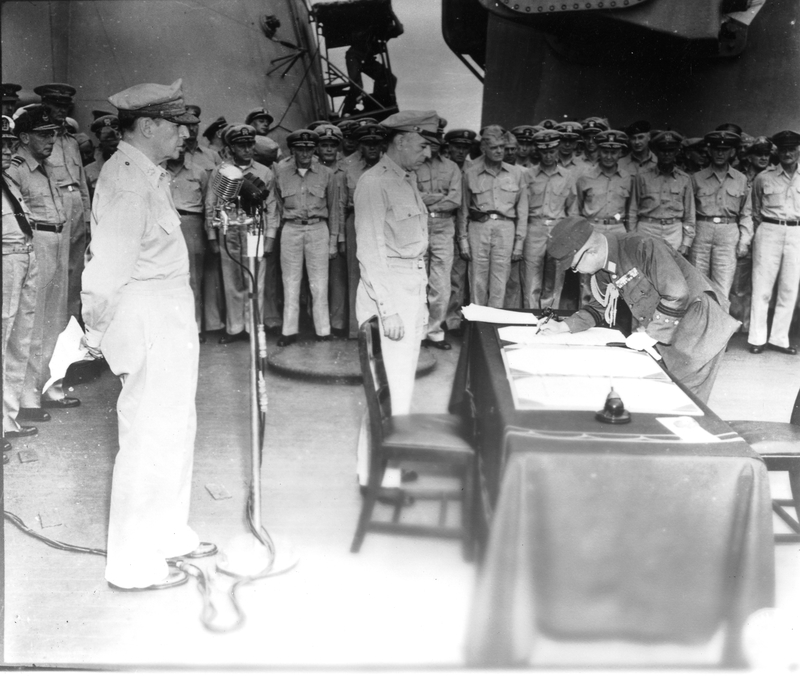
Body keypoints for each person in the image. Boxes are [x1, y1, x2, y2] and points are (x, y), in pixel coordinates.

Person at [82, 79, 215, 590]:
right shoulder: (128, 182)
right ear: (149, 125)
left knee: (176, 425)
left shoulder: (148, 175)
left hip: (169, 311)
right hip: (146, 314)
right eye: (177, 126)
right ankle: (132, 562)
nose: (185, 134)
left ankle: (167, 533)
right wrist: (95, 329)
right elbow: (106, 269)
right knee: (148, 435)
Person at [540, 216, 740, 403]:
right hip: (669, 330)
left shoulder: (642, 246)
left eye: (575, 267)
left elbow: (676, 293)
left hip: (699, 329)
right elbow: (600, 305)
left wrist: (652, 335)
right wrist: (563, 326)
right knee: (663, 395)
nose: (577, 272)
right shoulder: (603, 267)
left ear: (591, 252)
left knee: (685, 403)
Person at [354, 110, 435, 415]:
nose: (428, 154)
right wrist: (388, 310)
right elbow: (370, 251)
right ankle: (382, 446)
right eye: (422, 146)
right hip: (389, 290)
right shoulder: (374, 183)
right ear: (400, 142)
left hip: (411, 286)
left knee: (403, 380)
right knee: (387, 385)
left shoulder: (405, 180)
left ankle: (398, 441)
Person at [7, 104, 79, 421]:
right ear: (24, 137)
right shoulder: (18, 169)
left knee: (54, 320)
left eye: (53, 134)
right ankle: (26, 398)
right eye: (43, 135)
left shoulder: (47, 166)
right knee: (32, 323)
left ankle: (46, 386)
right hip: (36, 242)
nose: (51, 140)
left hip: (58, 239)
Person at [266, 129, 337, 346]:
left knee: (319, 282)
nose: (305, 153)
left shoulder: (327, 173)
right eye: (300, 149)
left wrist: (333, 241)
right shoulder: (281, 172)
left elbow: (334, 208)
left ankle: (323, 330)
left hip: (318, 228)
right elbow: (277, 203)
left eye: (309, 149)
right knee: (290, 281)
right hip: (291, 228)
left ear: (314, 149)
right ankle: (289, 331)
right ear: (292, 150)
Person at [205, 124, 274, 342]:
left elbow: (272, 208)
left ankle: (253, 328)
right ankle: (235, 328)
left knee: (254, 280)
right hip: (230, 230)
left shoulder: (264, 172)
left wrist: (270, 238)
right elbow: (211, 205)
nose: (246, 149)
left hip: (254, 230)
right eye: (241, 145)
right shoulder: (221, 171)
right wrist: (212, 236)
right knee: (232, 280)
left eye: (250, 144)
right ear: (231, 148)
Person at [34, 83, 92, 321]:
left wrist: (87, 216)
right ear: (45, 105)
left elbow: (81, 182)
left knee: (75, 269)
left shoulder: (71, 142)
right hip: (55, 204)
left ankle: (71, 325)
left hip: (76, 204)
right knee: (55, 270)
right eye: (56, 105)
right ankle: (52, 324)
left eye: (65, 106)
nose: (61, 110)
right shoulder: (40, 139)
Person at [459, 125, 528, 308]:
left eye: (502, 147)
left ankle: (492, 322)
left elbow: (522, 211)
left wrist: (519, 243)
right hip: (479, 227)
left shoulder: (516, 174)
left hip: (506, 228)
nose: (499, 151)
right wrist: (463, 240)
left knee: (500, 280)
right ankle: (477, 322)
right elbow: (463, 209)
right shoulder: (471, 173)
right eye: (494, 147)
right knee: (477, 278)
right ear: (484, 148)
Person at [2, 114, 39, 451]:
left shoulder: (8, 181)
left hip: (24, 258)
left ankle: (7, 419)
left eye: (8, 145)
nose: (6, 151)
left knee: (19, 340)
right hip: (5, 262)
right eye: (0, 145)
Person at [747, 129, 800, 355]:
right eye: (783, 150)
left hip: (796, 232)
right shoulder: (764, 177)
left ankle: (779, 339)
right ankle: (757, 338)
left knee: (789, 288)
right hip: (769, 230)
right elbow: (755, 209)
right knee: (762, 287)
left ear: (799, 150)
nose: (788, 154)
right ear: (777, 152)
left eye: (792, 149)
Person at [690, 130, 752, 300]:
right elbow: (689, 211)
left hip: (728, 232)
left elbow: (746, 212)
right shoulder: (696, 178)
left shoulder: (741, 179)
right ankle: (700, 317)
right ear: (709, 151)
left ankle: (720, 317)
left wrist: (744, 240)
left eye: (724, 150)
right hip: (701, 231)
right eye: (716, 149)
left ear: (732, 152)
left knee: (723, 284)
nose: (720, 153)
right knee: (698, 282)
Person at [573, 129, 633, 304]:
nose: (609, 156)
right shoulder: (585, 178)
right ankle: (586, 312)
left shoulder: (628, 178)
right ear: (598, 151)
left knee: (619, 275)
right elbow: (577, 209)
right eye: (605, 151)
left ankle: (614, 315)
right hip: (592, 229)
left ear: (620, 153)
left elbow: (631, 210)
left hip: (617, 230)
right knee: (587, 276)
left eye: (613, 152)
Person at [522, 129, 576, 309]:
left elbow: (572, 209)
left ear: (557, 150)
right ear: (538, 152)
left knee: (554, 279)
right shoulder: (528, 175)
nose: (548, 156)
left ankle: (550, 316)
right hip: (534, 228)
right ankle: (530, 317)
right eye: (544, 152)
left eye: (551, 151)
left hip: (557, 229)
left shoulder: (567, 176)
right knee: (531, 278)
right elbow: (522, 206)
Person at [416, 134, 461, 349]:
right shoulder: (414, 165)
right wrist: (437, 198)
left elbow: (455, 200)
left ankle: (434, 332)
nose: (431, 146)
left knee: (441, 283)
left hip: (444, 226)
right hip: (419, 224)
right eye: (427, 141)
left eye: (435, 141)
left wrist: (428, 200)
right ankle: (418, 332)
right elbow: (412, 196)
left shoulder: (452, 167)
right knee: (418, 280)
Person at [342, 122, 386, 337]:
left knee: (383, 274)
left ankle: (384, 326)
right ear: (360, 145)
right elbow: (342, 203)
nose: (372, 148)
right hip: (357, 223)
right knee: (356, 274)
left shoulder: (389, 169)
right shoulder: (348, 169)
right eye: (368, 144)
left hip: (385, 225)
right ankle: (356, 328)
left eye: (376, 143)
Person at [166, 143, 210, 341]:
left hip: (192, 223)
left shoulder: (199, 172)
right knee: (167, 278)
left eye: (184, 147)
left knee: (193, 278)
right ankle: (170, 329)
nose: (180, 150)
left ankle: (196, 327)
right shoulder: (157, 171)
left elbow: (208, 204)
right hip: (166, 225)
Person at [630, 130, 695, 254]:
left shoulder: (684, 179)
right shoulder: (642, 177)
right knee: (645, 263)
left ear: (676, 152)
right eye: (663, 150)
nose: (667, 154)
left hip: (673, 231)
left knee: (671, 265)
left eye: (671, 150)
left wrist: (686, 242)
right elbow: (632, 211)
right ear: (656, 152)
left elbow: (689, 214)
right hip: (647, 228)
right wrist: (632, 237)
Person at [315, 124, 349, 336]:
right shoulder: (313, 169)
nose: (328, 149)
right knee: (315, 279)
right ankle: (315, 322)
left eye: (332, 145)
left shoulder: (345, 170)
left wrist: (340, 238)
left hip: (338, 228)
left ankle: (337, 322)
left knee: (337, 278)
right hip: (316, 227)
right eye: (324, 145)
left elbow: (342, 207)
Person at [443, 129, 476, 335]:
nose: (461, 151)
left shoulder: (474, 169)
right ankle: (441, 320)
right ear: (449, 147)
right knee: (441, 276)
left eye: (465, 147)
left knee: (461, 277)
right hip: (446, 224)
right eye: (457, 147)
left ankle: (456, 321)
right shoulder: (444, 168)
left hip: (469, 228)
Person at [85, 114, 120, 196]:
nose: (115, 148)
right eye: (108, 141)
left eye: (117, 144)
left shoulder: (133, 167)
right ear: (100, 140)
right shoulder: (88, 171)